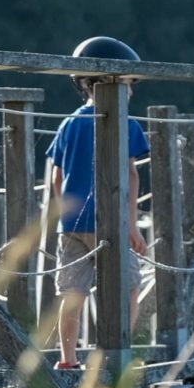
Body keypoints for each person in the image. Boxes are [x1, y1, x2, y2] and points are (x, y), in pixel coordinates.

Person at [43, 36, 151, 369]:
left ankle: (68, 358)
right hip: (113, 222)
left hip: (73, 224)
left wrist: (65, 216)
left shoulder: (69, 123)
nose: (131, 91)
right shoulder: (128, 124)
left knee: (72, 294)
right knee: (128, 288)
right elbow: (132, 176)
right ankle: (111, 352)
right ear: (112, 83)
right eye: (128, 84)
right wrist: (132, 224)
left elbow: (56, 178)